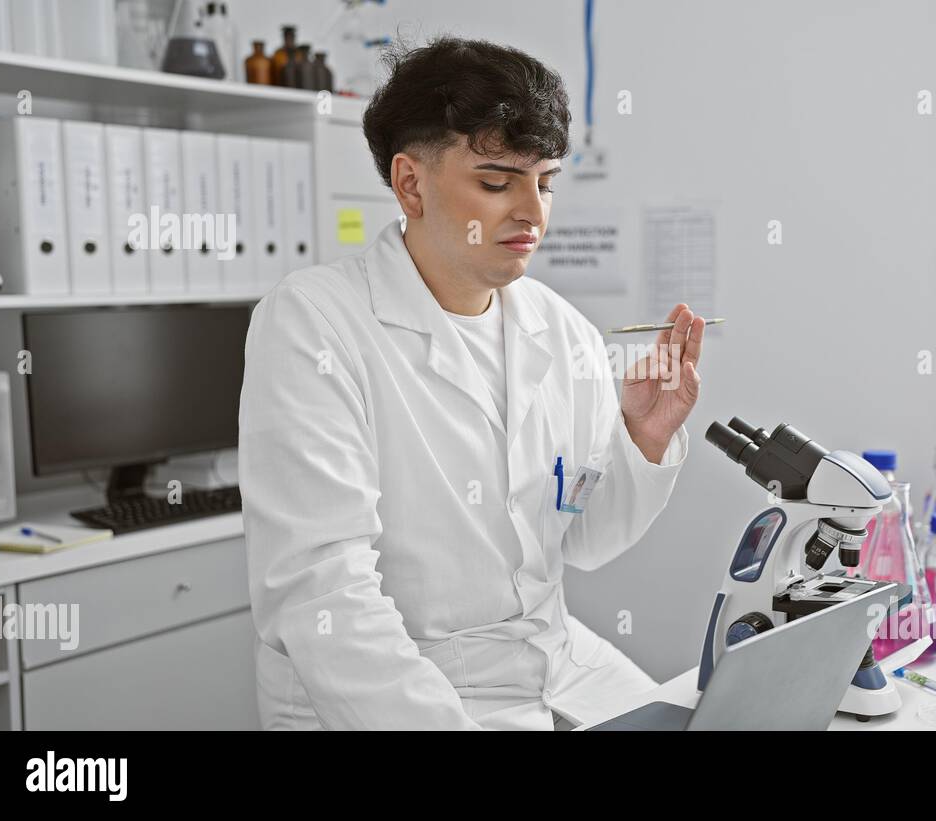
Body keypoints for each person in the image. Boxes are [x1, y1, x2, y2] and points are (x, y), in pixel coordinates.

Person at [238, 36, 705, 730]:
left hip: (557, 662)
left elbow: (586, 542)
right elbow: (322, 594)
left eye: (545, 182)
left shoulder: (563, 331)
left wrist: (642, 437)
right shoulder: (314, 323)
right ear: (410, 184)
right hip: (397, 693)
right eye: (496, 182)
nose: (533, 213)